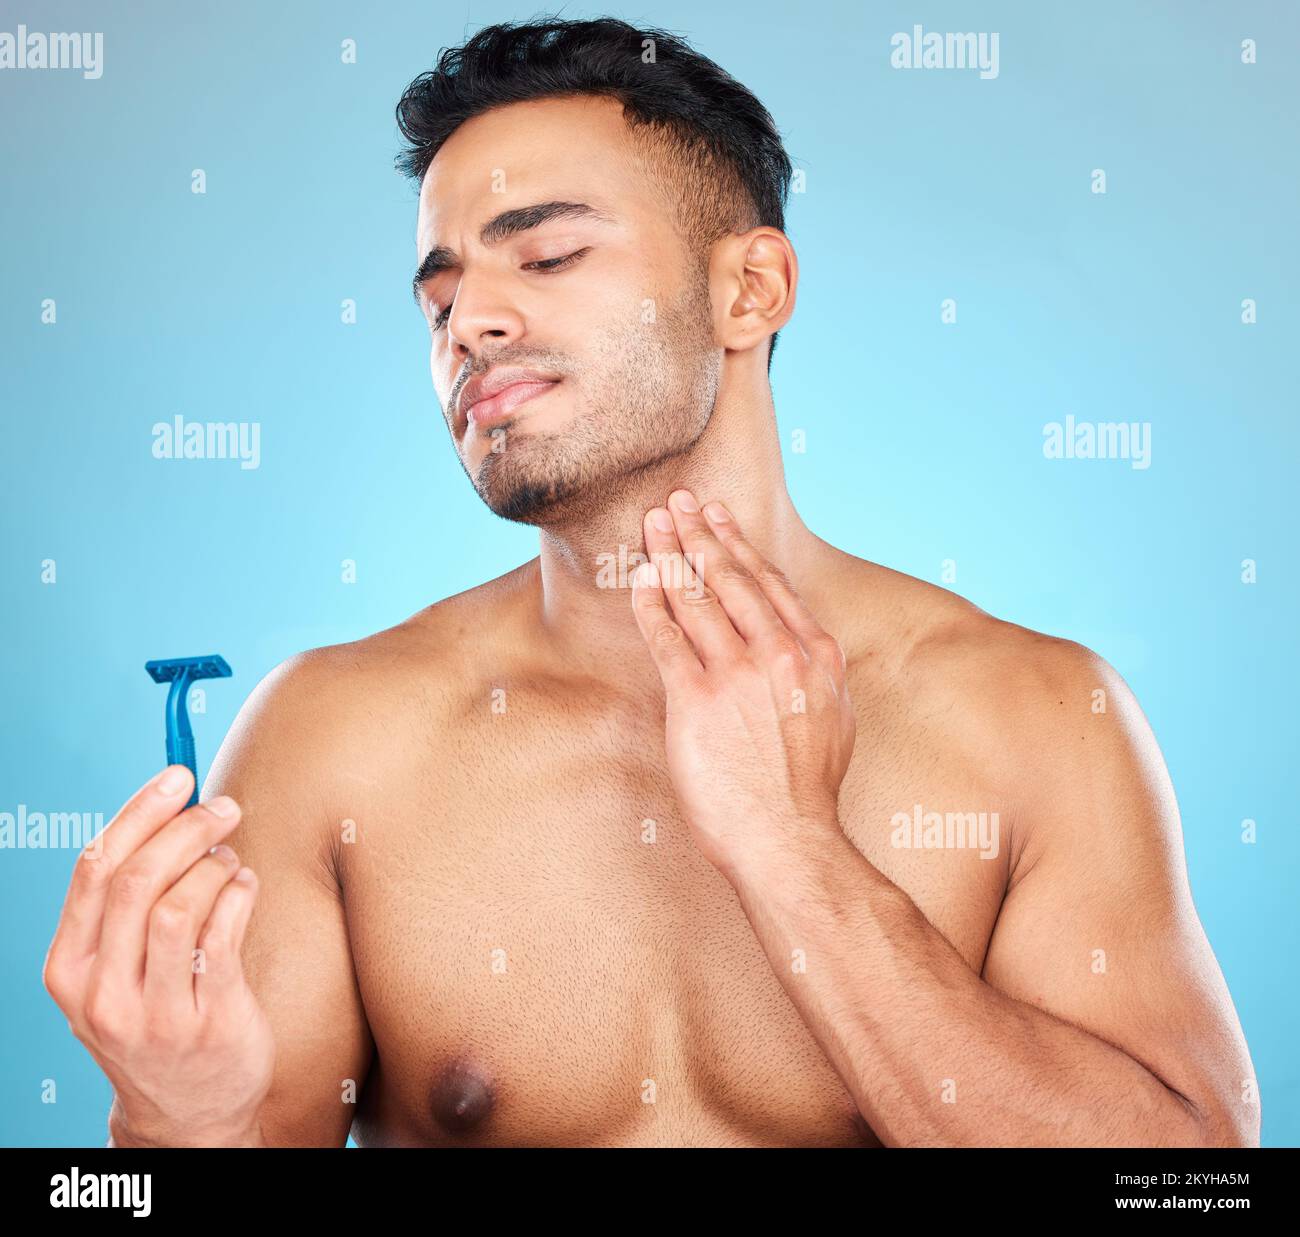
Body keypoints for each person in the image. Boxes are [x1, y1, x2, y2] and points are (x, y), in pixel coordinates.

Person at [45, 17, 1257, 1148]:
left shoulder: (1036, 715)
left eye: (551, 254)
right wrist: (178, 1119)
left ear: (750, 291)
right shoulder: (334, 734)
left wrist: (793, 850)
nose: (470, 322)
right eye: (441, 295)